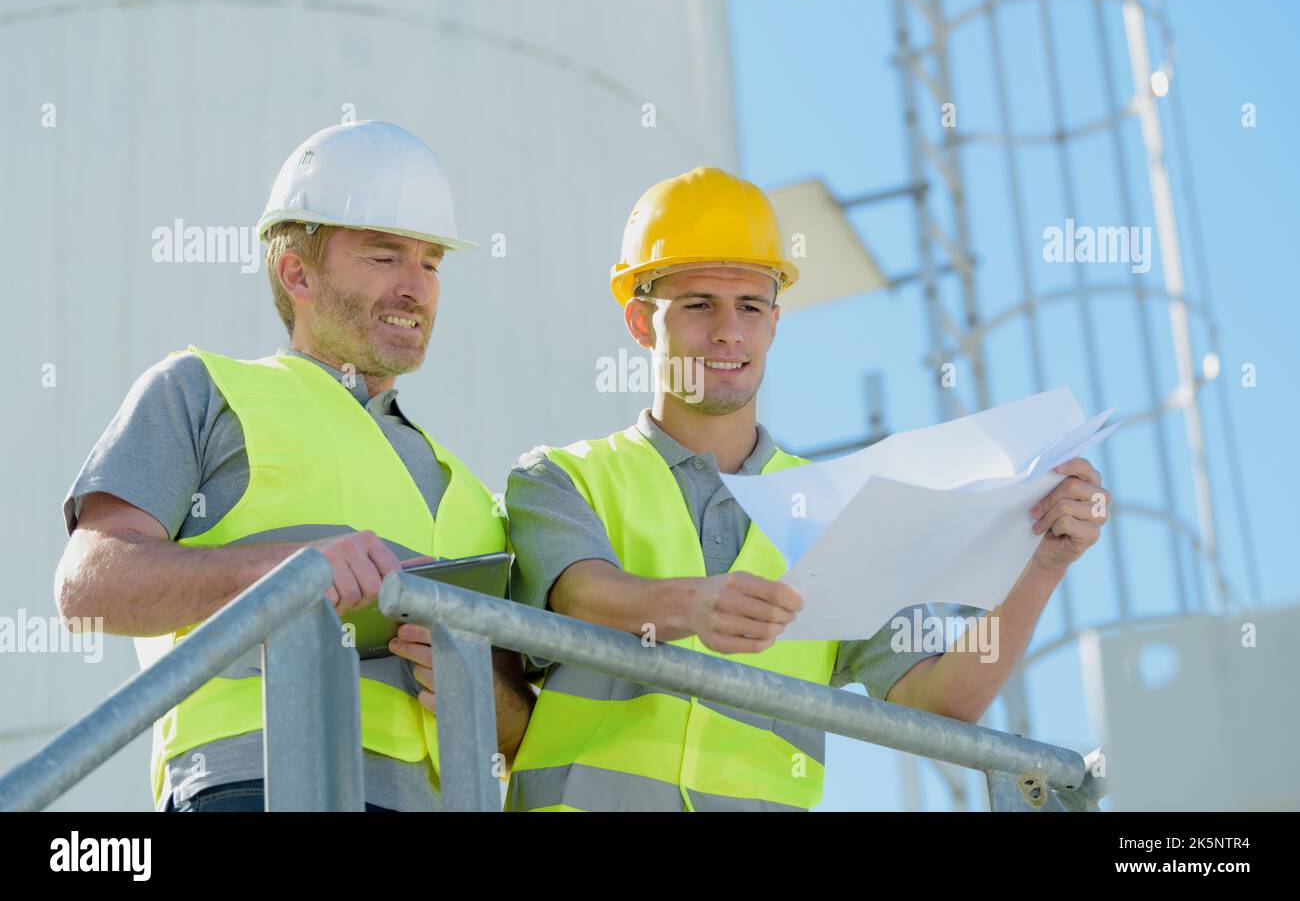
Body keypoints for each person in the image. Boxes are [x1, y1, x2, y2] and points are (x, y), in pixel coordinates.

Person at [454, 165, 1109, 811]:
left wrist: (1042, 566)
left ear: (774, 322)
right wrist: (695, 607)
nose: (728, 332)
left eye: (750, 306)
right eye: (697, 305)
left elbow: (939, 703)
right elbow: (581, 597)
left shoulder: (839, 510)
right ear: (637, 321)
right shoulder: (561, 477)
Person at [55, 120, 535, 812]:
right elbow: (87, 589)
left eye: (430, 262)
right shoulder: (203, 391)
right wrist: (286, 576)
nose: (416, 287)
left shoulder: (469, 492)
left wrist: (484, 688)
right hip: (255, 788)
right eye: (384, 256)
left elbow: (524, 732)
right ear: (296, 272)